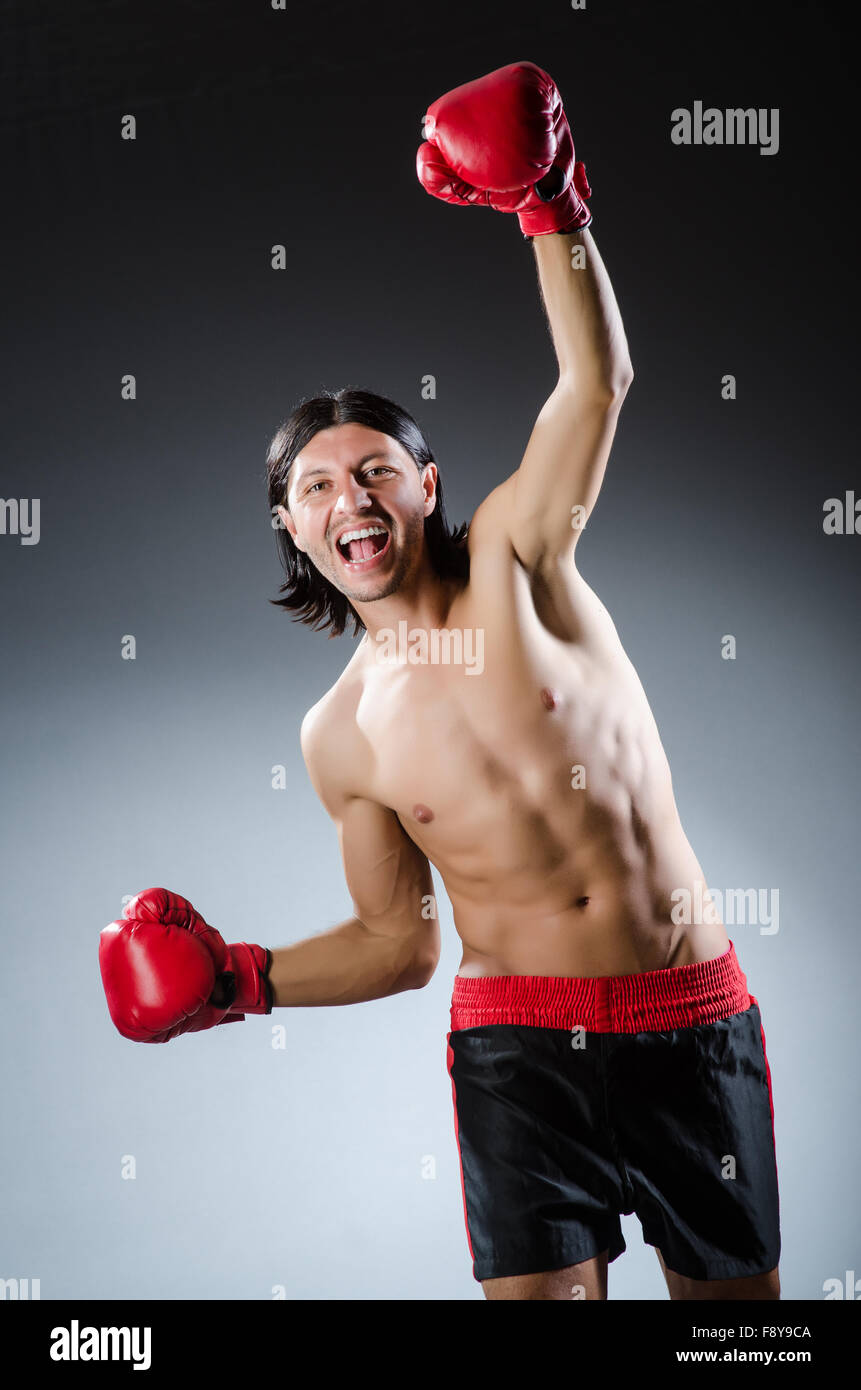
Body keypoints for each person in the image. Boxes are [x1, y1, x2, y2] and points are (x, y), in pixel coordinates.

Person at [99, 61, 780, 1301]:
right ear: (291, 528)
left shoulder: (524, 557)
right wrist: (239, 980)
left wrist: (552, 208)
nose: (348, 494)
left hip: (690, 1017)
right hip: (518, 1052)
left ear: (428, 485)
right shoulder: (339, 734)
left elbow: (596, 382)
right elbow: (397, 944)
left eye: (375, 469)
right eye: (315, 484)